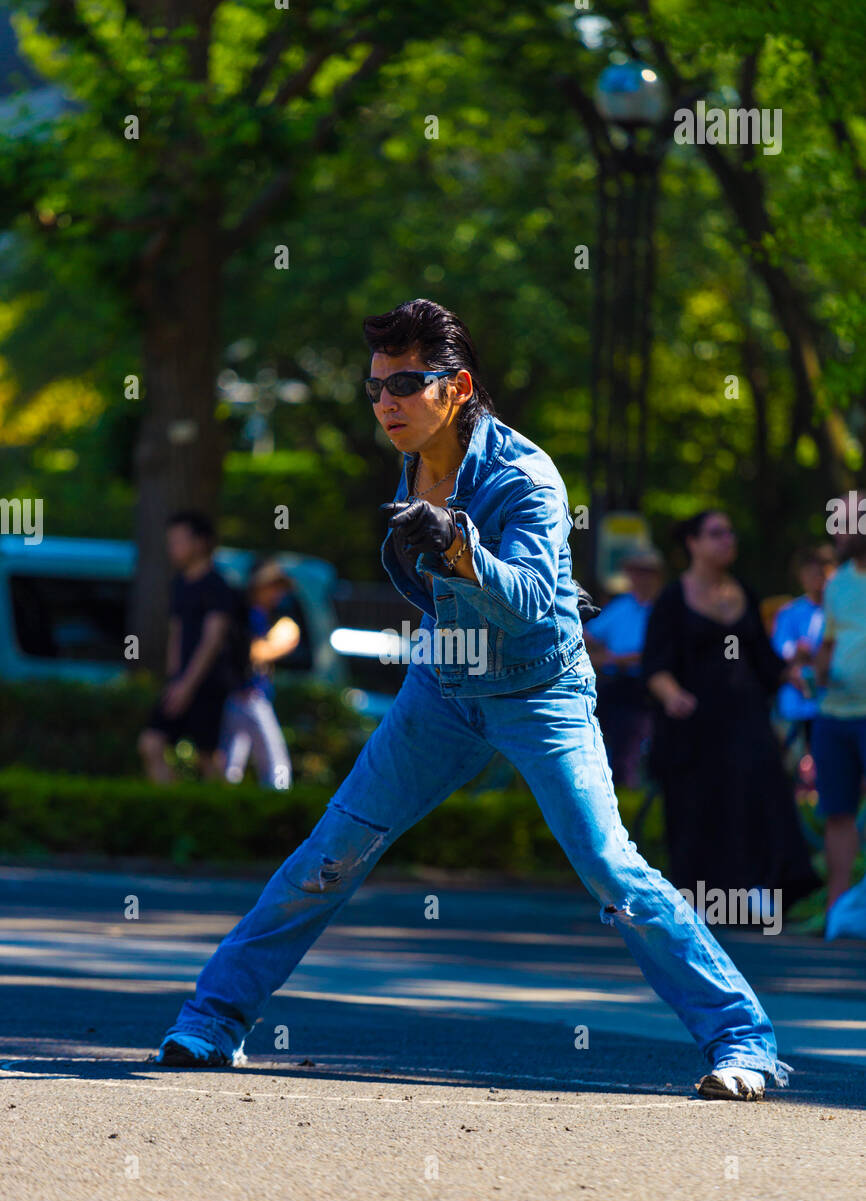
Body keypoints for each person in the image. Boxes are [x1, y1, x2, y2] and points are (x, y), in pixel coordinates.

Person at [154, 299, 792, 1102]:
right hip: (443, 688)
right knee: (329, 855)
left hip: (540, 692)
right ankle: (213, 1020)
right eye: (375, 386)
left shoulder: (527, 476)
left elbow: (527, 598)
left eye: (405, 385)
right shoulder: (414, 455)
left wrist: (459, 547)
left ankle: (744, 1040)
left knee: (611, 869)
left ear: (455, 388)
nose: (386, 402)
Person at [642, 510, 821, 923]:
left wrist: (791, 675)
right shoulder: (673, 598)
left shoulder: (743, 592)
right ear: (694, 543)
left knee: (760, 798)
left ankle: (757, 894)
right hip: (693, 725)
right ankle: (705, 901)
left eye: (731, 532)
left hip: (745, 719)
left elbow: (761, 657)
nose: (728, 540)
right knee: (699, 808)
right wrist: (672, 696)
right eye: (717, 534)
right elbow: (655, 664)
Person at [138, 511, 241, 783]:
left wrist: (188, 685)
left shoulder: (217, 585)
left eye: (179, 541)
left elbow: (212, 639)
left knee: (208, 758)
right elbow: (177, 633)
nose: (173, 549)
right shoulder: (180, 584)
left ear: (200, 543)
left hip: (208, 685)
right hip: (181, 681)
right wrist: (174, 679)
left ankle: (222, 817)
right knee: (151, 743)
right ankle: (172, 811)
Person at [812, 509, 866, 914]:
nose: (841, 529)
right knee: (838, 813)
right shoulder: (838, 583)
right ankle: (839, 911)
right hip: (833, 715)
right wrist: (819, 667)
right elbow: (830, 642)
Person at [583, 545, 664, 787]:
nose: (639, 577)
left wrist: (610, 659)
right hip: (612, 685)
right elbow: (590, 635)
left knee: (628, 752)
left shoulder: (663, 607)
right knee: (593, 743)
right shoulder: (622, 605)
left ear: (657, 575)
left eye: (645, 571)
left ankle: (629, 799)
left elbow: (653, 654)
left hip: (644, 689)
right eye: (635, 571)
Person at [219, 560, 298, 789]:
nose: (278, 594)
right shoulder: (246, 614)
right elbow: (253, 653)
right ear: (259, 586)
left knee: (230, 767)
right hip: (247, 696)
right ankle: (279, 813)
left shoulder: (263, 614)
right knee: (276, 768)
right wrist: (283, 643)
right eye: (273, 587)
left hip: (248, 696)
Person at [771, 545, 835, 742]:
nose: (817, 578)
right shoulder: (789, 612)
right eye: (810, 573)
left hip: (835, 704)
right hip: (798, 707)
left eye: (821, 572)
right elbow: (781, 650)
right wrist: (797, 653)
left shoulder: (840, 610)